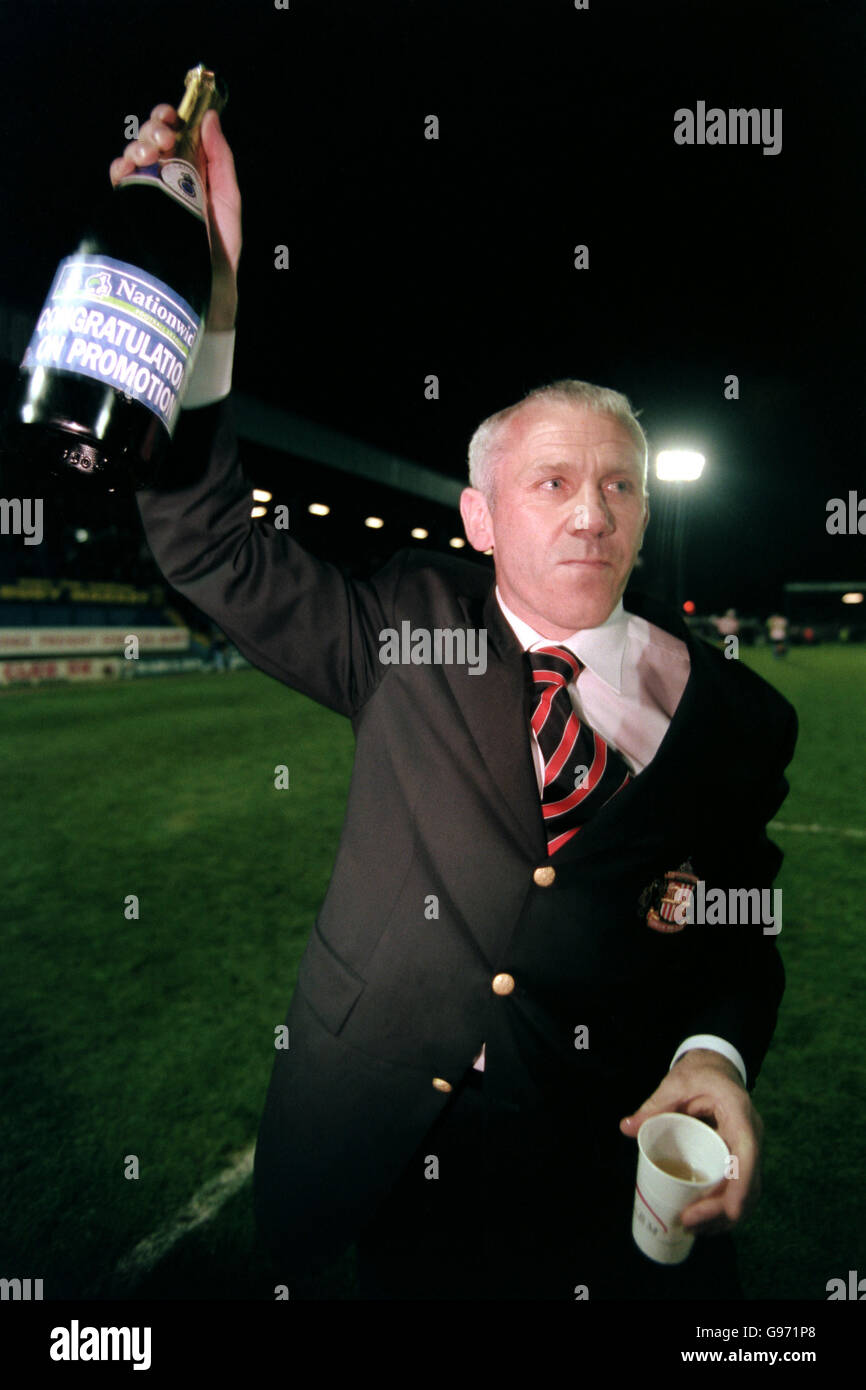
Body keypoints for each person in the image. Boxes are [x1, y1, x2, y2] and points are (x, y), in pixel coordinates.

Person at [112, 106, 798, 1301]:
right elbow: (208, 545)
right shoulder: (401, 629)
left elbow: (736, 911)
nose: (590, 512)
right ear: (481, 521)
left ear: (641, 513)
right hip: (406, 1149)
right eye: (551, 483)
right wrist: (201, 284)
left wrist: (714, 1050)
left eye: (617, 486)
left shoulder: (738, 716)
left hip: (622, 1150)